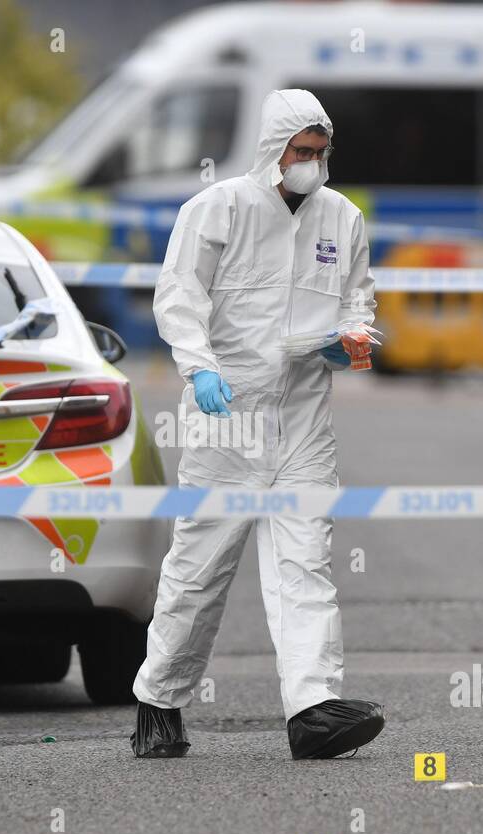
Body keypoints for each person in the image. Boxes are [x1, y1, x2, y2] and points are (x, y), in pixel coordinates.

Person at [131, 89, 385, 760]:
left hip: (302, 420)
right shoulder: (217, 210)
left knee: (305, 563)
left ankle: (312, 709)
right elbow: (180, 296)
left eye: (320, 152)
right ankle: (159, 700)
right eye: (301, 152)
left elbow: (358, 301)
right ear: (272, 150)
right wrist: (199, 367)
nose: (312, 164)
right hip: (227, 419)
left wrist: (351, 339)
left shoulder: (342, 219)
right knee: (199, 569)